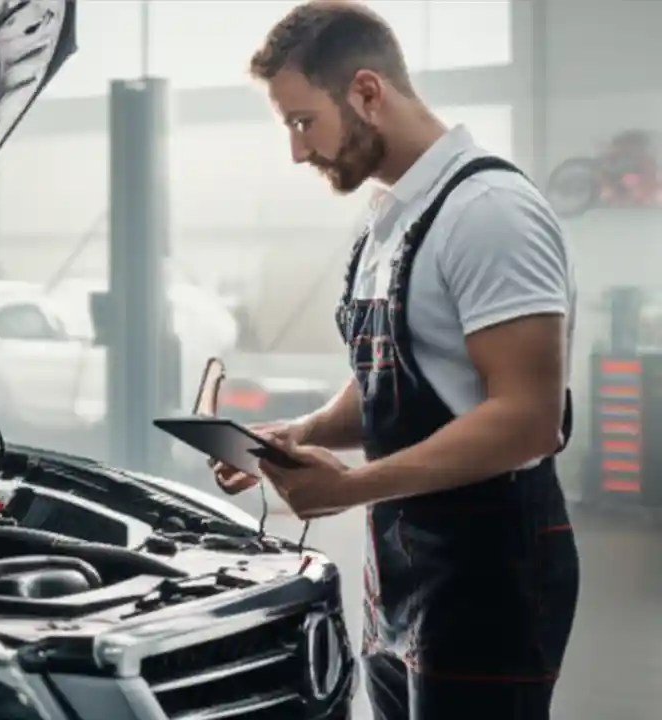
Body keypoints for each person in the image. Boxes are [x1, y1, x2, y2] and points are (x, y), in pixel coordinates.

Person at [212, 2, 580, 718]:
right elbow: (397, 378)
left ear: (366, 92)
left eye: (302, 122)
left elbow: (528, 420)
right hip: (401, 568)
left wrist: (350, 488)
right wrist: (300, 434)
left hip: (490, 570)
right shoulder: (389, 218)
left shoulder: (490, 211)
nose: (297, 151)